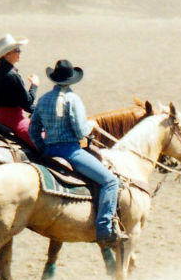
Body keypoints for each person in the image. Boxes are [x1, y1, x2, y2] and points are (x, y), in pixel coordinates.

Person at [29, 59, 119, 247]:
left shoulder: (43, 99)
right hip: (71, 152)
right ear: (71, 80)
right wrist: (90, 126)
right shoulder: (73, 99)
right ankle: (104, 229)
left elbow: (33, 130)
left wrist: (43, 148)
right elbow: (80, 132)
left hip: (49, 151)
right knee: (110, 181)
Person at [0, 34, 39, 148]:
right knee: (44, 143)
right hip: (14, 120)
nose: (20, 52)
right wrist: (34, 85)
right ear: (7, 54)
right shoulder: (11, 75)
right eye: (17, 50)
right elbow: (27, 103)